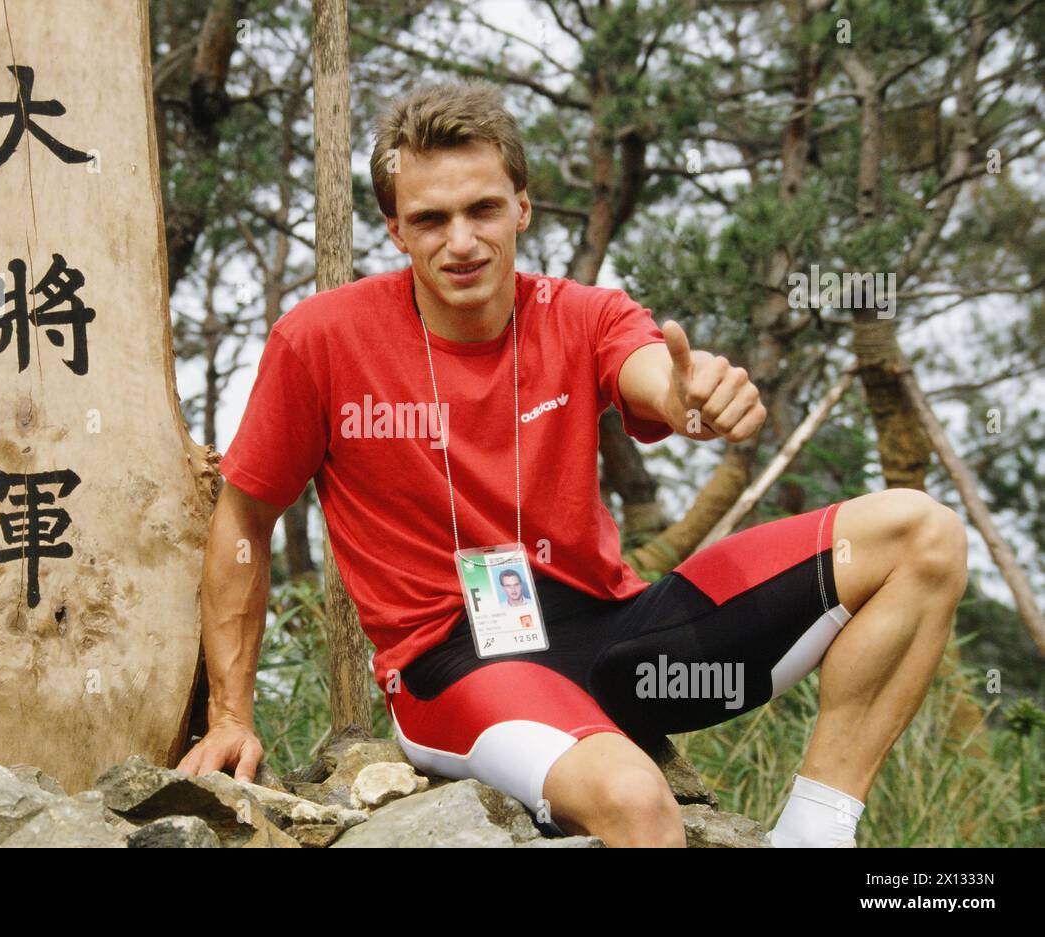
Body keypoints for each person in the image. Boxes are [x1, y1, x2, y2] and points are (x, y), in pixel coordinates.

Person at [178, 80, 969, 847]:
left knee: (920, 534)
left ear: (522, 205)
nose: (461, 241)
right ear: (395, 230)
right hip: (456, 662)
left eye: (484, 208)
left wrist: (688, 399)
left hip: (615, 637)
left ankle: (814, 833)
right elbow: (244, 518)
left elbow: (652, 374)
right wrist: (231, 716)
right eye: (431, 218)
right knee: (637, 802)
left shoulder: (584, 313)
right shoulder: (321, 340)